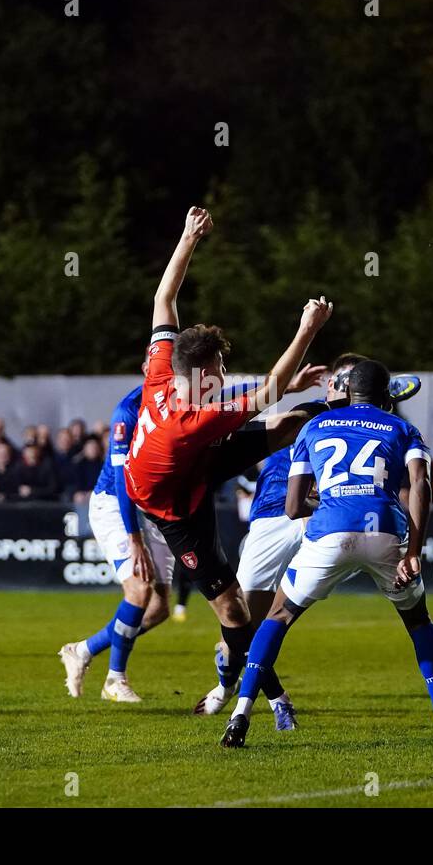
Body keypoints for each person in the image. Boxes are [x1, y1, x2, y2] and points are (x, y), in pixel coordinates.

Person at [122, 206, 332, 715]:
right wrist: (308, 328)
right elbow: (269, 390)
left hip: (193, 465)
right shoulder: (191, 419)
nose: (224, 372)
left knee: (285, 425)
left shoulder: (161, 369)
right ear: (199, 374)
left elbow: (163, 297)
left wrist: (188, 236)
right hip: (175, 508)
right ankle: (265, 689)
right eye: (219, 368)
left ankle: (345, 403)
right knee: (233, 609)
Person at [220, 360, 433, 748]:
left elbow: (294, 507)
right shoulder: (403, 427)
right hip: (385, 531)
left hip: (330, 531)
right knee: (419, 622)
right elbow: (420, 484)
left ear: (347, 391)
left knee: (278, 615)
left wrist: (334, 504)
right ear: (387, 396)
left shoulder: (313, 426)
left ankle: (240, 715)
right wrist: (413, 550)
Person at [59, 382, 175, 703]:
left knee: (159, 607)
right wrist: (134, 538)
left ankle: (83, 649)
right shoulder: (129, 411)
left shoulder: (189, 397)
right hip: (116, 503)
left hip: (152, 508)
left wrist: (278, 388)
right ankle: (115, 679)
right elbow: (124, 481)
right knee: (138, 591)